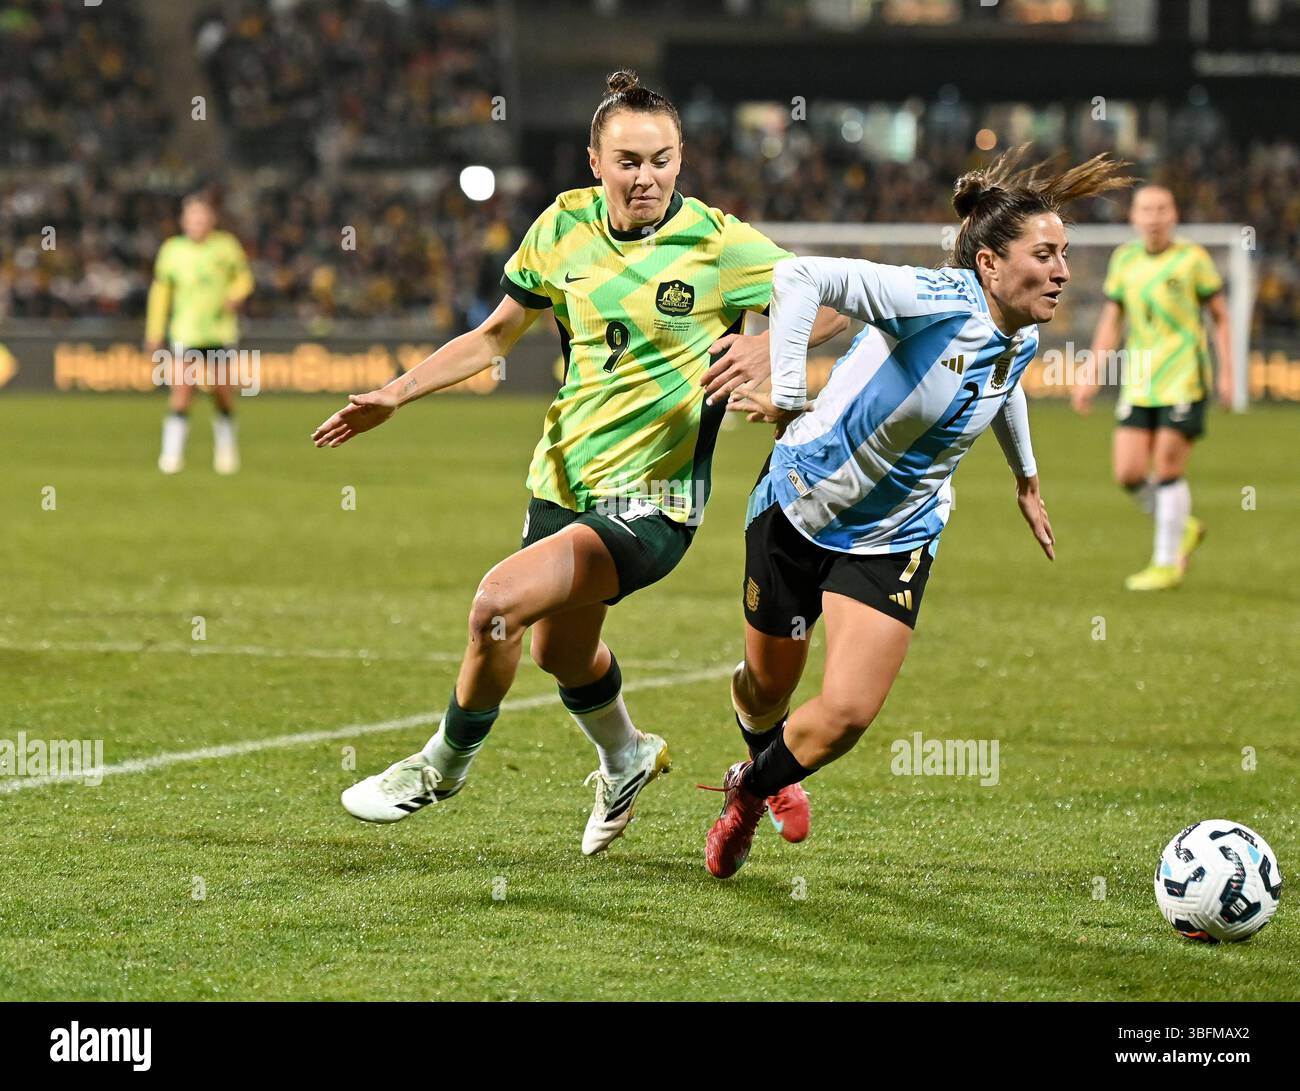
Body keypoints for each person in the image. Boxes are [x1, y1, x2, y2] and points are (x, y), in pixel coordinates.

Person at [311, 71, 846, 855]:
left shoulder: (717, 242)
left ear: (681, 158)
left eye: (662, 160)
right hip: (561, 481)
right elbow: (495, 335)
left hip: (654, 502)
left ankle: (441, 766)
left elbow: (838, 291)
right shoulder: (562, 225)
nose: (647, 178)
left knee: (496, 603)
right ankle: (626, 753)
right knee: (556, 651)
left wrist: (770, 344)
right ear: (594, 160)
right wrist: (396, 392)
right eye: (629, 161)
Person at [704, 146, 1132, 878]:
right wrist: (786, 393)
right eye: (1045, 254)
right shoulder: (930, 300)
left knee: (844, 713)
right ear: (990, 264)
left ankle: (749, 791)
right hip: (801, 502)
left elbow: (1007, 380)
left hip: (895, 533)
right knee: (766, 685)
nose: (1063, 270)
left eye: (1063, 253)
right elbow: (798, 275)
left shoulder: (1021, 330)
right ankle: (762, 751)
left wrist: (1026, 479)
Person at [1072, 184, 1234, 590]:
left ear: (1174, 215)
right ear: (1134, 217)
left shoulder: (1192, 260)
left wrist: (1229, 371)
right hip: (1140, 380)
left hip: (1184, 378)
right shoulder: (1124, 259)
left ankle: (1166, 563)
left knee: (1167, 467)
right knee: (1127, 472)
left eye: (1163, 208)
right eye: (1147, 209)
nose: (1155, 216)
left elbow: (1221, 317)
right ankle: (1182, 523)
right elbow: (1113, 320)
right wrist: (1092, 372)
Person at [145, 191, 254, 475]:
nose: (197, 223)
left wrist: (235, 295)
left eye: (202, 218)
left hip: (219, 331)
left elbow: (244, 277)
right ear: (183, 221)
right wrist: (154, 330)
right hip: (186, 331)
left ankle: (226, 449)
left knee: (221, 393)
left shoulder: (225, 246)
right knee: (181, 391)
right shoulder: (172, 250)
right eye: (192, 217)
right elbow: (160, 293)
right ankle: (171, 456)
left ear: (211, 220)